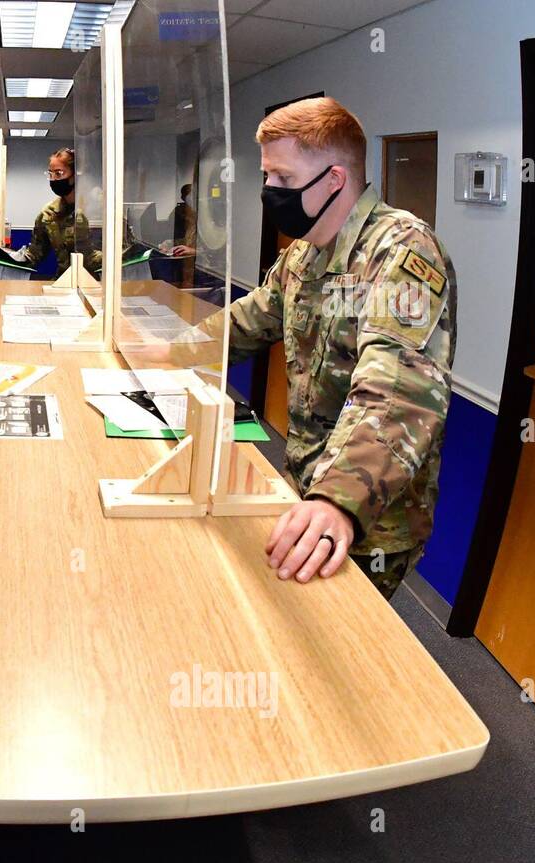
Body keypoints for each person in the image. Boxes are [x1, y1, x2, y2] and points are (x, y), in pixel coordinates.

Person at [167, 97, 456, 599]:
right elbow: (252, 317)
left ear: (335, 180)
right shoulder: (303, 254)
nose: (269, 192)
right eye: (266, 178)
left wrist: (337, 501)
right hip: (302, 482)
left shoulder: (402, 249)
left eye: (281, 179)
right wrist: (172, 352)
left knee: (332, 653)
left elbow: (398, 391)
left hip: (364, 516)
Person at [20, 147, 102, 276]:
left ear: (75, 175)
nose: (54, 180)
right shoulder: (49, 213)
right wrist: (7, 259)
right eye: (50, 174)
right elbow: (35, 254)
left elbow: (123, 256)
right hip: (63, 284)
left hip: (102, 286)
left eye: (58, 174)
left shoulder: (100, 208)